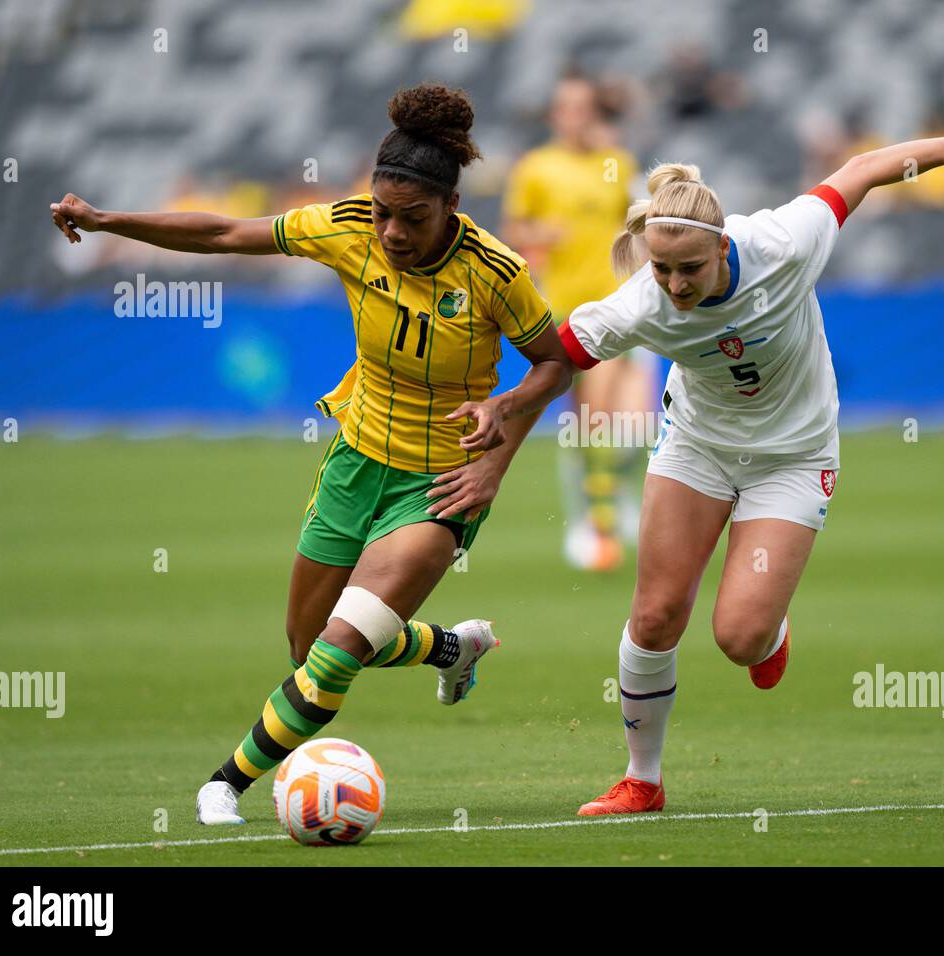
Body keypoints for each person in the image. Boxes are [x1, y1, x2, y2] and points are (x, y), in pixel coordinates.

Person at [49, 83, 572, 823]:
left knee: (336, 650)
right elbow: (225, 234)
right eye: (383, 212)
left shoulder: (495, 273)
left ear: (452, 207)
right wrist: (109, 219)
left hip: (440, 483)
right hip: (355, 461)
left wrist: (504, 415)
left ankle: (224, 783)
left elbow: (555, 363)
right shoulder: (347, 226)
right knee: (306, 644)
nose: (390, 232)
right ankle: (449, 649)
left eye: (412, 218)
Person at [558, 95, 944, 815]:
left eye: (689, 268)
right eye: (663, 270)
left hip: (794, 456)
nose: (676, 287)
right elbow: (556, 356)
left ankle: (769, 625)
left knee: (739, 638)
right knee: (654, 617)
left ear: (723, 247)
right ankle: (642, 781)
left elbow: (866, 167)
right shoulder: (643, 302)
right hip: (698, 447)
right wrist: (497, 417)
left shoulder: (785, 240)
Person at [503, 75, 655, 571]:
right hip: (568, 310)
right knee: (592, 419)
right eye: (566, 107)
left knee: (635, 424)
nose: (575, 116)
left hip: (622, 304)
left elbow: (639, 223)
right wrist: (541, 233)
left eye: (583, 107)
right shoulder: (536, 168)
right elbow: (514, 230)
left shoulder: (618, 164)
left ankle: (616, 502)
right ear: (554, 115)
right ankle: (592, 524)